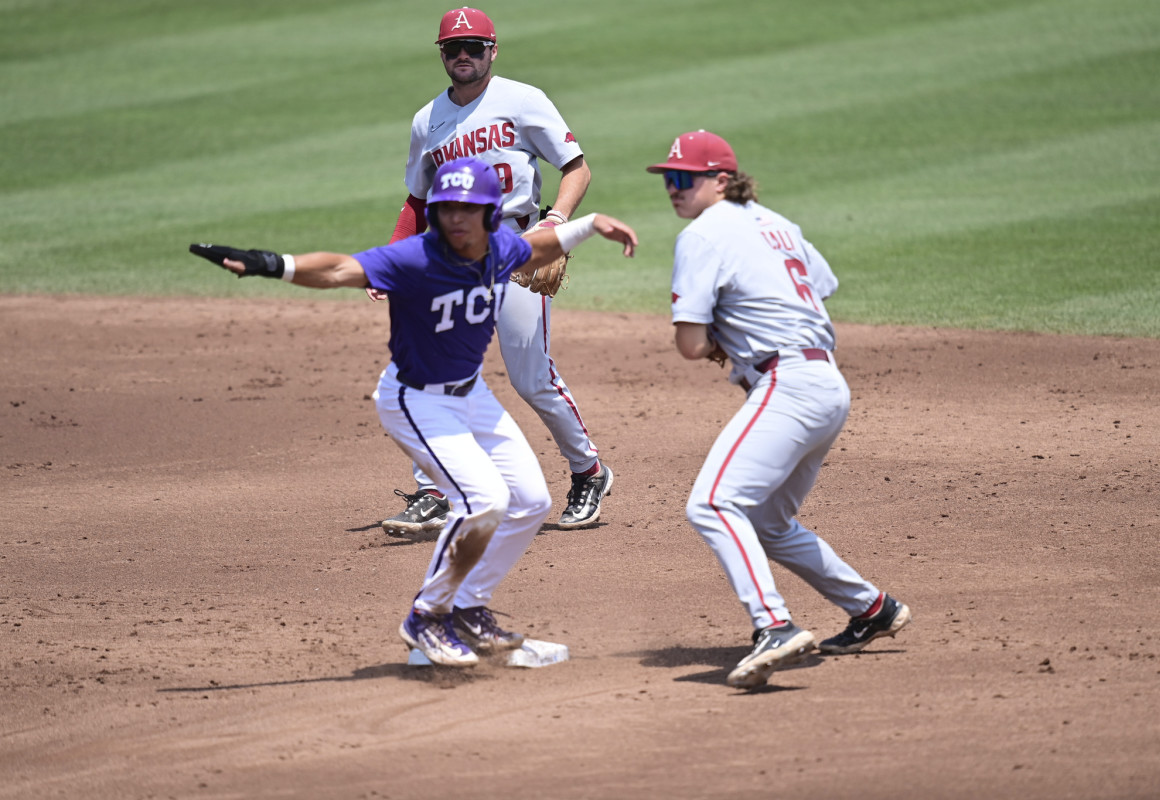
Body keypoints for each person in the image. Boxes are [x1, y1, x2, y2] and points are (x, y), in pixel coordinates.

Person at [191, 157, 637, 666]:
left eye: (469, 210)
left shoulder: (498, 248)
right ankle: (426, 617)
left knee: (532, 502)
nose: (457, 220)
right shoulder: (413, 259)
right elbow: (339, 268)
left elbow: (539, 245)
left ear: (491, 214)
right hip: (415, 400)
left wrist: (591, 224)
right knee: (484, 501)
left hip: (472, 397)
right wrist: (272, 263)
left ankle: (468, 610)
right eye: (447, 209)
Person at [647, 131, 912, 690]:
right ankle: (872, 608)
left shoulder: (701, 234)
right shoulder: (777, 223)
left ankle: (773, 625)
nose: (672, 189)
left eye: (683, 178)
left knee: (713, 505)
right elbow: (823, 283)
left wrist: (725, 328)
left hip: (785, 385)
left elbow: (692, 344)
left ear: (720, 180)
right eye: (667, 179)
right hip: (826, 384)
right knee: (766, 521)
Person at [376, 6, 612, 536]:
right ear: (441, 55)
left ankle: (589, 472)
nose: (464, 56)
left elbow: (576, 168)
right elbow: (417, 199)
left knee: (532, 379)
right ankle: (435, 490)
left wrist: (554, 222)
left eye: (474, 47)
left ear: (493, 50)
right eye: (453, 48)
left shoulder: (522, 100)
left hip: (518, 249)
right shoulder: (426, 120)